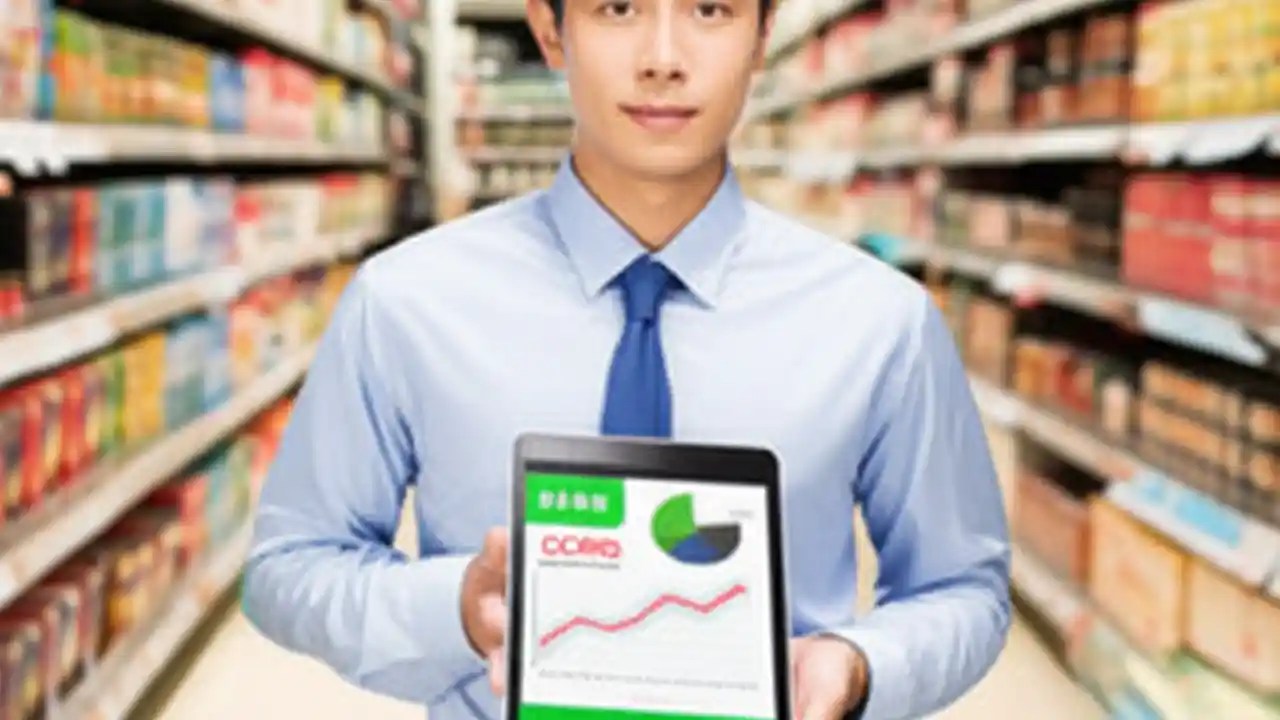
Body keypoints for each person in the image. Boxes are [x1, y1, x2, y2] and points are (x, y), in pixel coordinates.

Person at [241, 0, 1012, 718]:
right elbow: (289, 567)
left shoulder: (878, 320)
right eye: (618, 7)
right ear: (549, 28)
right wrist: (457, 612)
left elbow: (963, 587)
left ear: (763, 35)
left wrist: (856, 666)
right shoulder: (406, 300)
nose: (664, 58)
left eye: (711, 9)